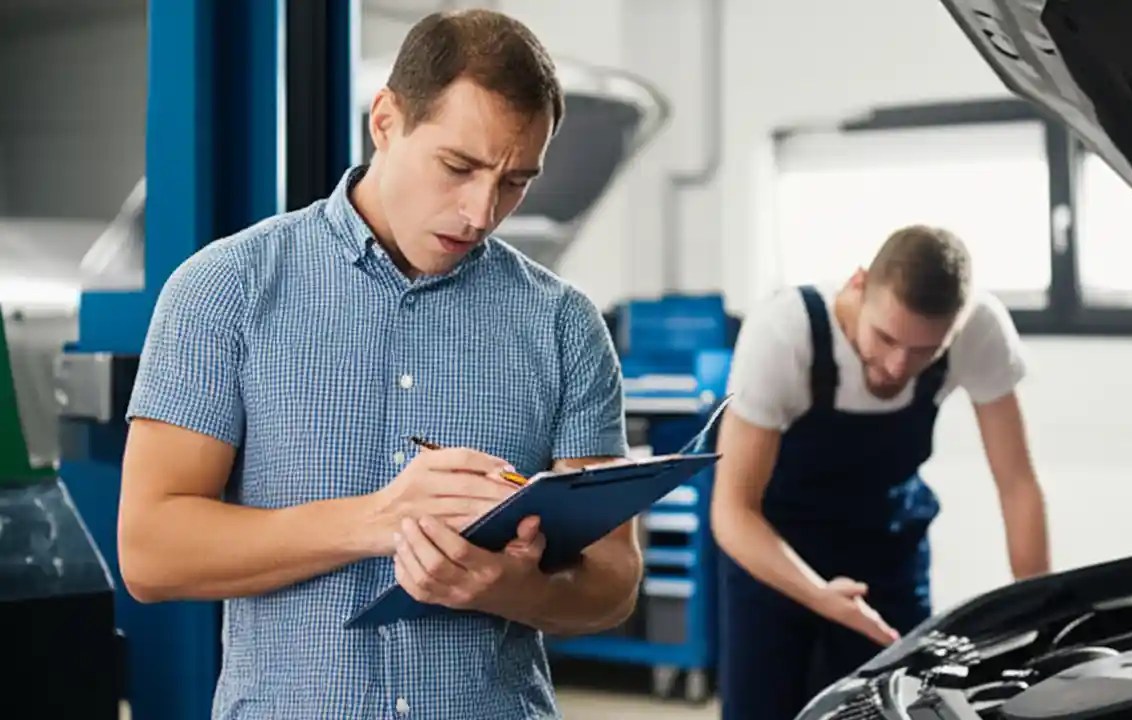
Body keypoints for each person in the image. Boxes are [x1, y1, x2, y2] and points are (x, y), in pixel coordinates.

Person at [116, 9, 642, 719]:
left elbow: (613, 582)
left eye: (515, 180)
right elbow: (150, 552)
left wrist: (502, 587)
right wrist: (376, 521)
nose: (482, 211)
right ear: (386, 120)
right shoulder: (227, 289)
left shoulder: (562, 323)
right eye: (458, 167)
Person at [711, 225, 1051, 719]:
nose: (896, 365)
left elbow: (1017, 485)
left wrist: (1042, 614)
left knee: (897, 709)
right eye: (886, 337)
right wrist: (818, 594)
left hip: (888, 550)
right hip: (774, 554)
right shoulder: (785, 333)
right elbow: (732, 510)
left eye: (923, 353)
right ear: (857, 284)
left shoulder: (979, 329)